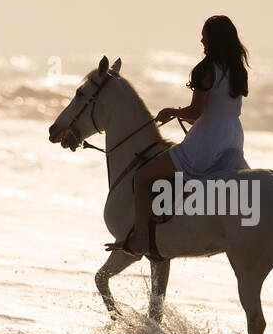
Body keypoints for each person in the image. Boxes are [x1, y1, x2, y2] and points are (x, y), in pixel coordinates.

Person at [106, 15, 250, 257]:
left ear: (213, 38)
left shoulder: (206, 70)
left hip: (206, 140)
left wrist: (172, 112)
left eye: (204, 34)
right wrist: (189, 118)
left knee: (142, 177)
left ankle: (141, 239)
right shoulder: (237, 70)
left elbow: (196, 111)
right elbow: (213, 111)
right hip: (232, 137)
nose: (201, 39)